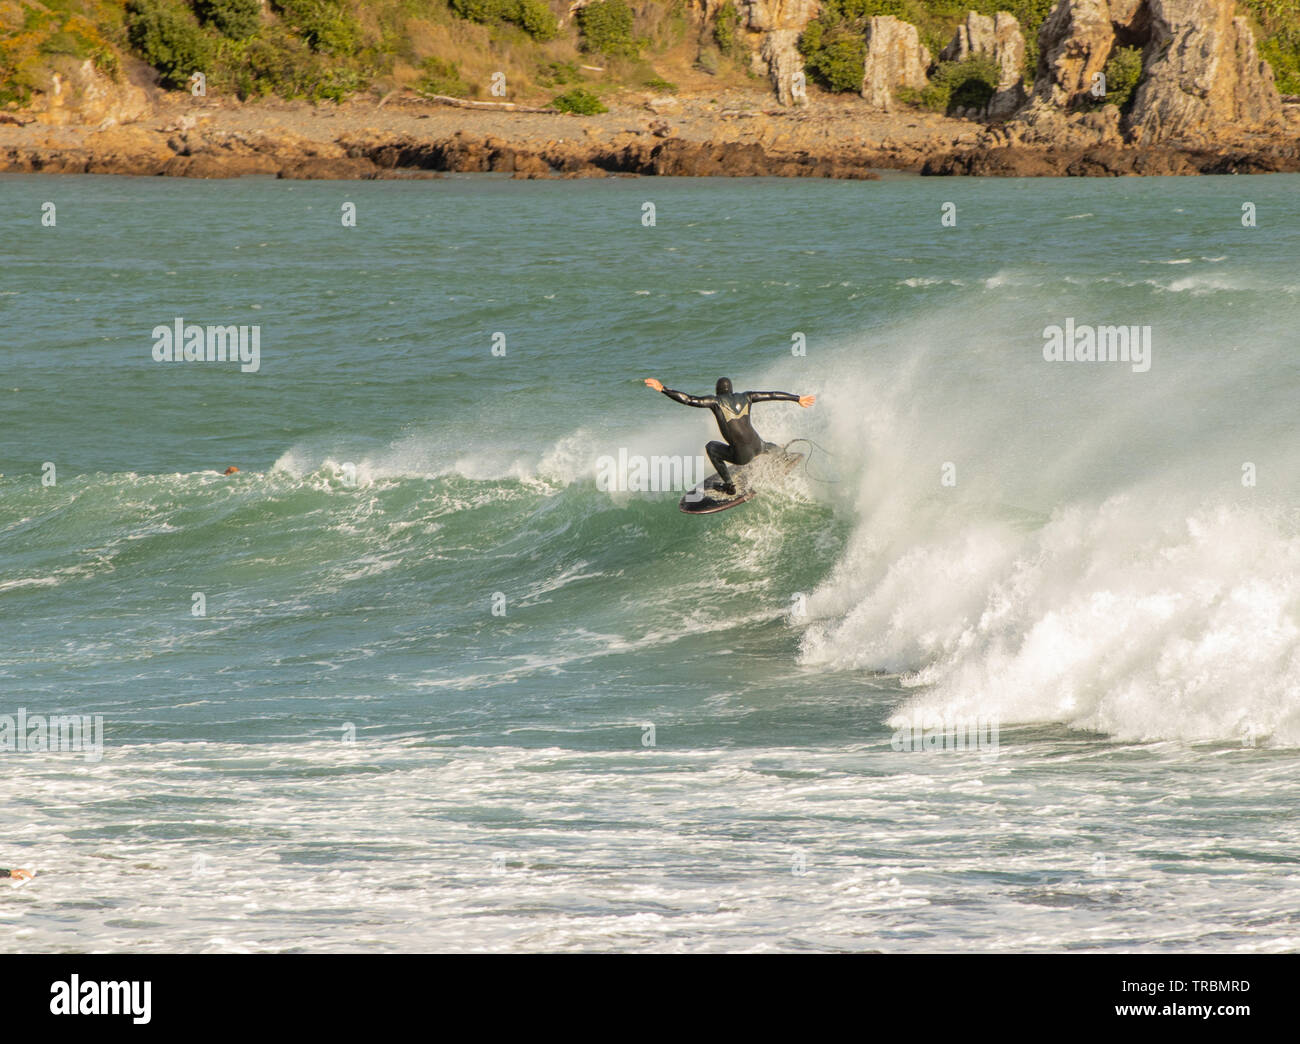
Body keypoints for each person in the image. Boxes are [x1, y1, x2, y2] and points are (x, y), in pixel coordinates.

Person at [644, 377, 815, 495]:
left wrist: (663, 389)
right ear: (732, 390)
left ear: (717, 391)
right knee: (765, 445)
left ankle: (729, 486)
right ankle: (782, 456)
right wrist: (797, 398)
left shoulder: (716, 401)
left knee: (711, 447)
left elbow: (689, 400)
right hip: (759, 447)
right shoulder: (747, 396)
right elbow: (772, 394)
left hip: (741, 456)